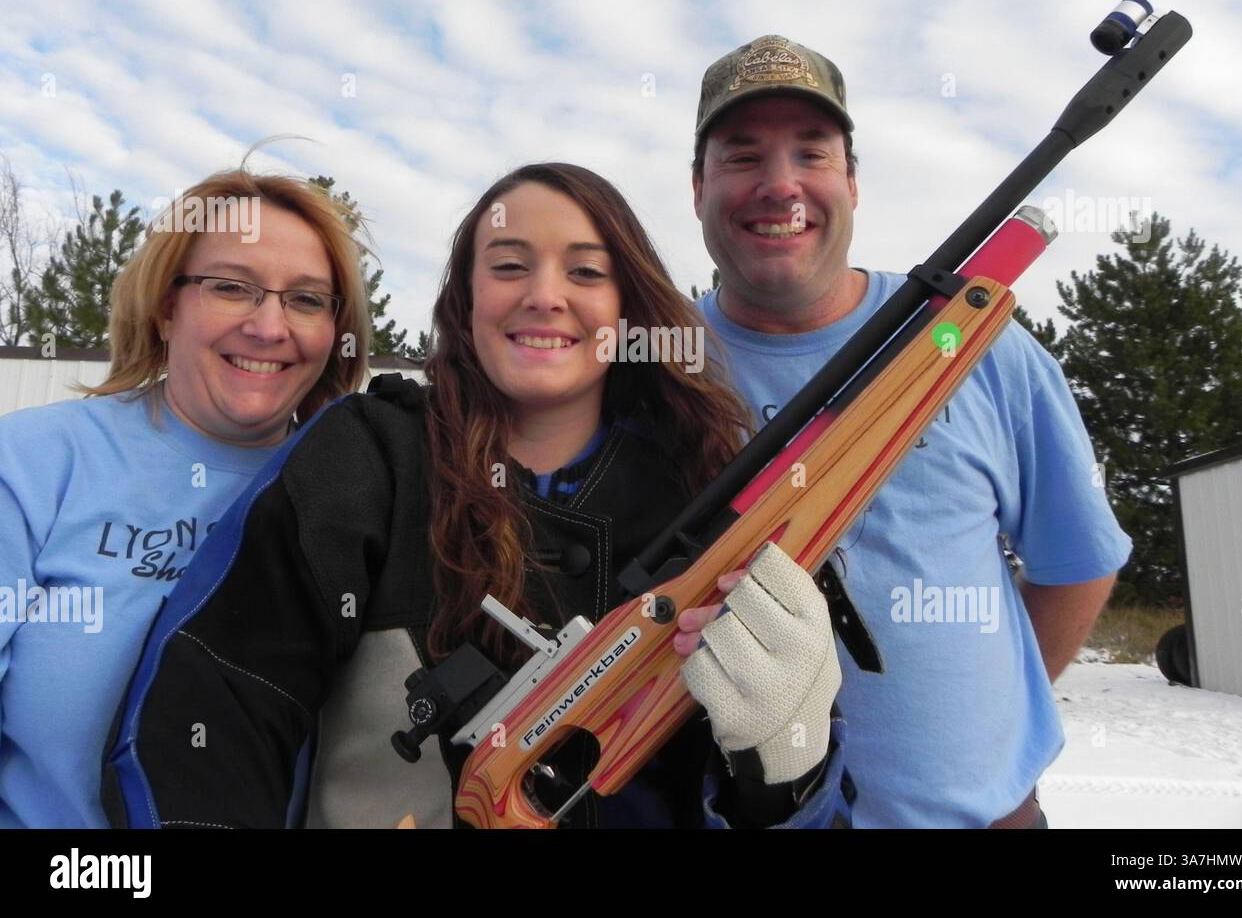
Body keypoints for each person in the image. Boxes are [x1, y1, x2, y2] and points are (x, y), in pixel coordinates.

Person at [104, 162, 852, 829]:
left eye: (586, 272)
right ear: (464, 299)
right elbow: (210, 712)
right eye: (508, 265)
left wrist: (790, 767)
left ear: (629, 308)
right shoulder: (368, 456)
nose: (545, 296)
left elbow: (791, 805)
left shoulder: (710, 499)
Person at [689, 34, 1133, 828]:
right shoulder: (653, 370)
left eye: (812, 153)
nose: (779, 184)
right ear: (698, 188)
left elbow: (1077, 562)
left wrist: (979, 733)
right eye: (743, 155)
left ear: (853, 181)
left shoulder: (982, 347)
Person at [0, 169, 370, 828]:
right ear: (166, 305)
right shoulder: (31, 465)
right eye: (231, 287)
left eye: (308, 300)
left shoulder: (359, 496)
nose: (269, 326)